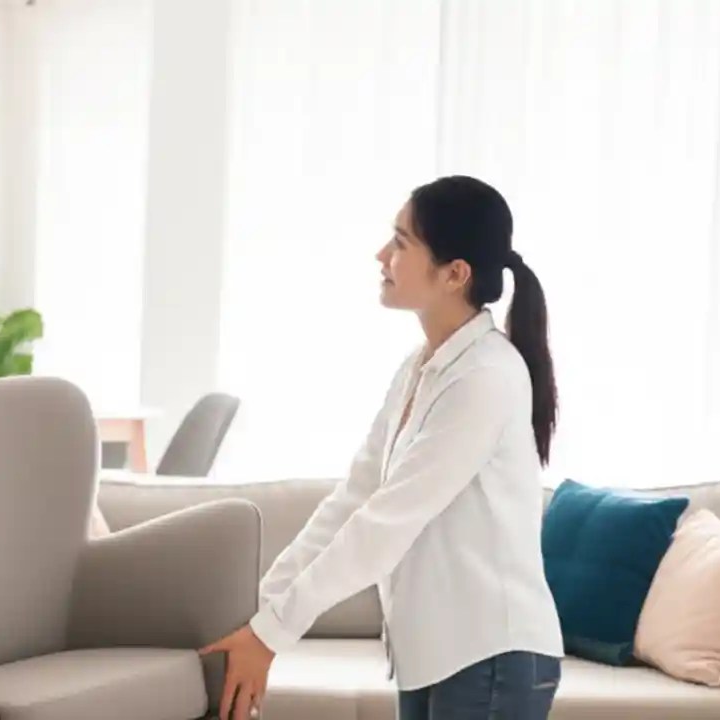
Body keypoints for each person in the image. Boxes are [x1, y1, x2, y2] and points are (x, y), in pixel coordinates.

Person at [201, 176, 565, 720]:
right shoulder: (422, 367)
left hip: (490, 656)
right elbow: (354, 500)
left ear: (454, 274)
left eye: (400, 243)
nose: (382, 255)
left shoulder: (485, 377)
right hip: (437, 654)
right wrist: (258, 610)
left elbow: (387, 525)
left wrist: (273, 633)